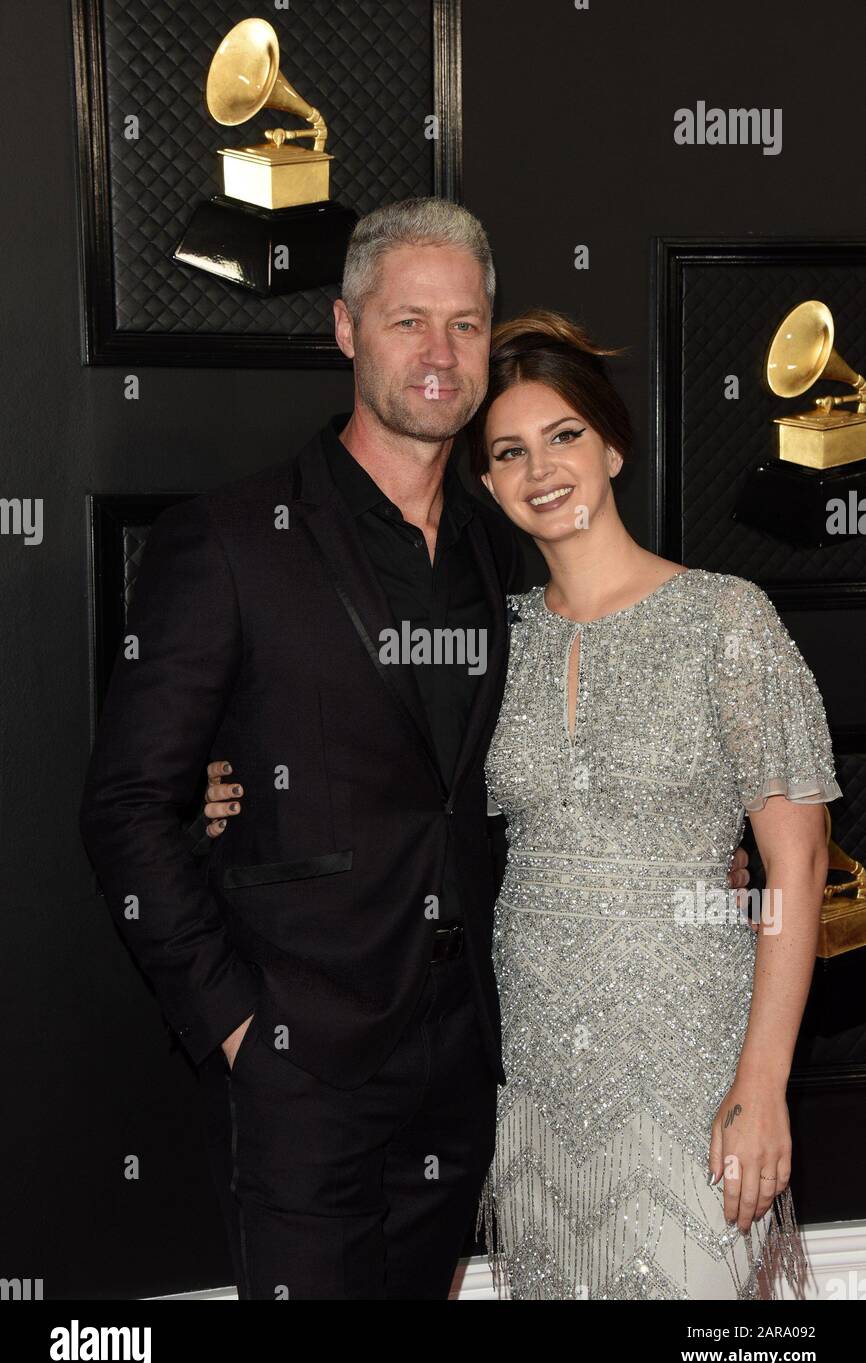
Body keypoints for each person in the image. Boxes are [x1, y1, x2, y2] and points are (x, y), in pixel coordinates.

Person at [79, 198, 751, 1301]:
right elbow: (124, 807)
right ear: (346, 329)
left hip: (467, 1070)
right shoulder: (236, 540)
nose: (439, 355)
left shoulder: (509, 549)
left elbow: (557, 763)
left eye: (466, 325)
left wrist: (696, 863)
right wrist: (241, 1028)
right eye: (407, 321)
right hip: (302, 1071)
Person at [463, 309, 838, 1299]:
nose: (540, 469)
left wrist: (760, 1084)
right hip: (538, 1068)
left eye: (562, 436)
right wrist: (222, 788)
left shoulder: (724, 617)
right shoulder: (488, 644)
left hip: (689, 1060)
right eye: (508, 452)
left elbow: (794, 865)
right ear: (488, 484)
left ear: (612, 444)